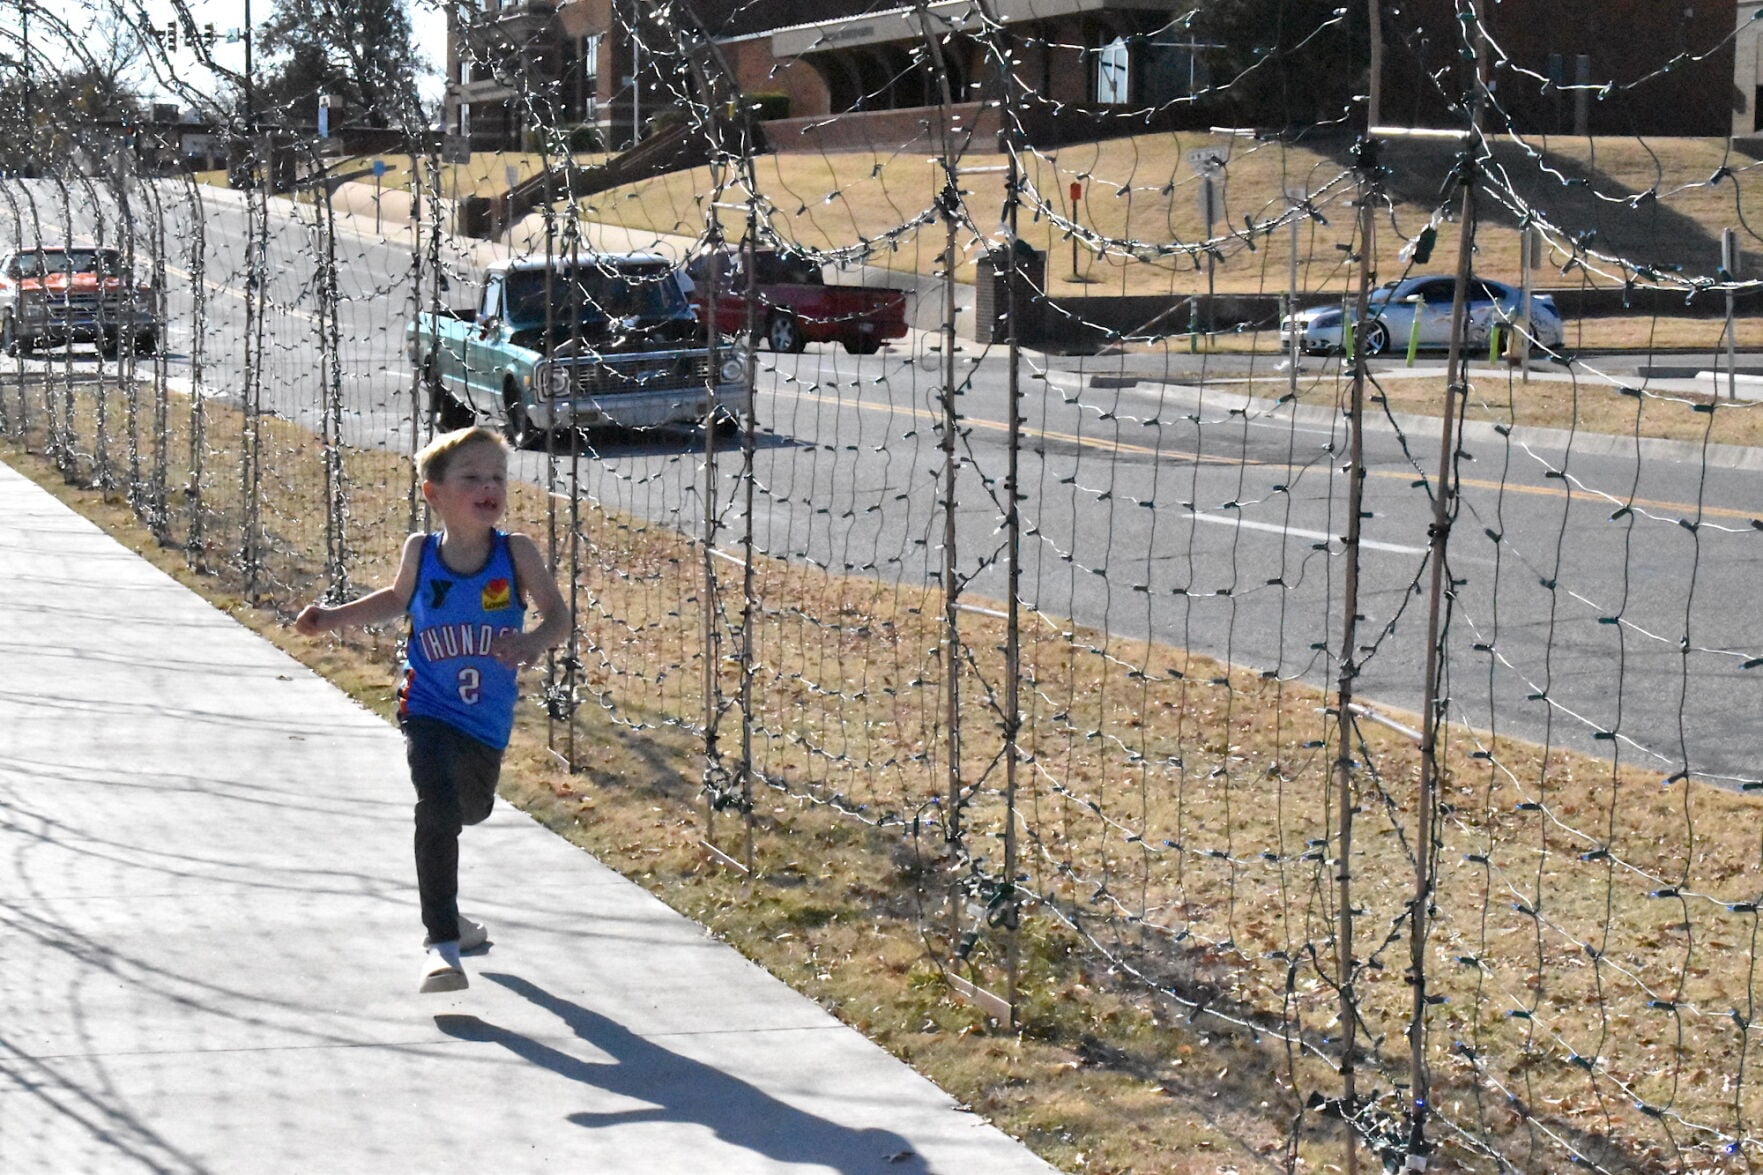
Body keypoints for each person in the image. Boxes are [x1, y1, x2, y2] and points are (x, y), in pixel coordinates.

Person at [294, 426, 571, 993]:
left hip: (486, 722)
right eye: (471, 477)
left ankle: (454, 923)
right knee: (436, 807)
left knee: (470, 810)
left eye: (497, 477)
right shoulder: (421, 552)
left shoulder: (515, 553)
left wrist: (532, 642)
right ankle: (441, 945)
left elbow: (559, 616)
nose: (488, 487)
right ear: (434, 493)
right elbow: (396, 600)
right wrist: (333, 617)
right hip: (427, 705)